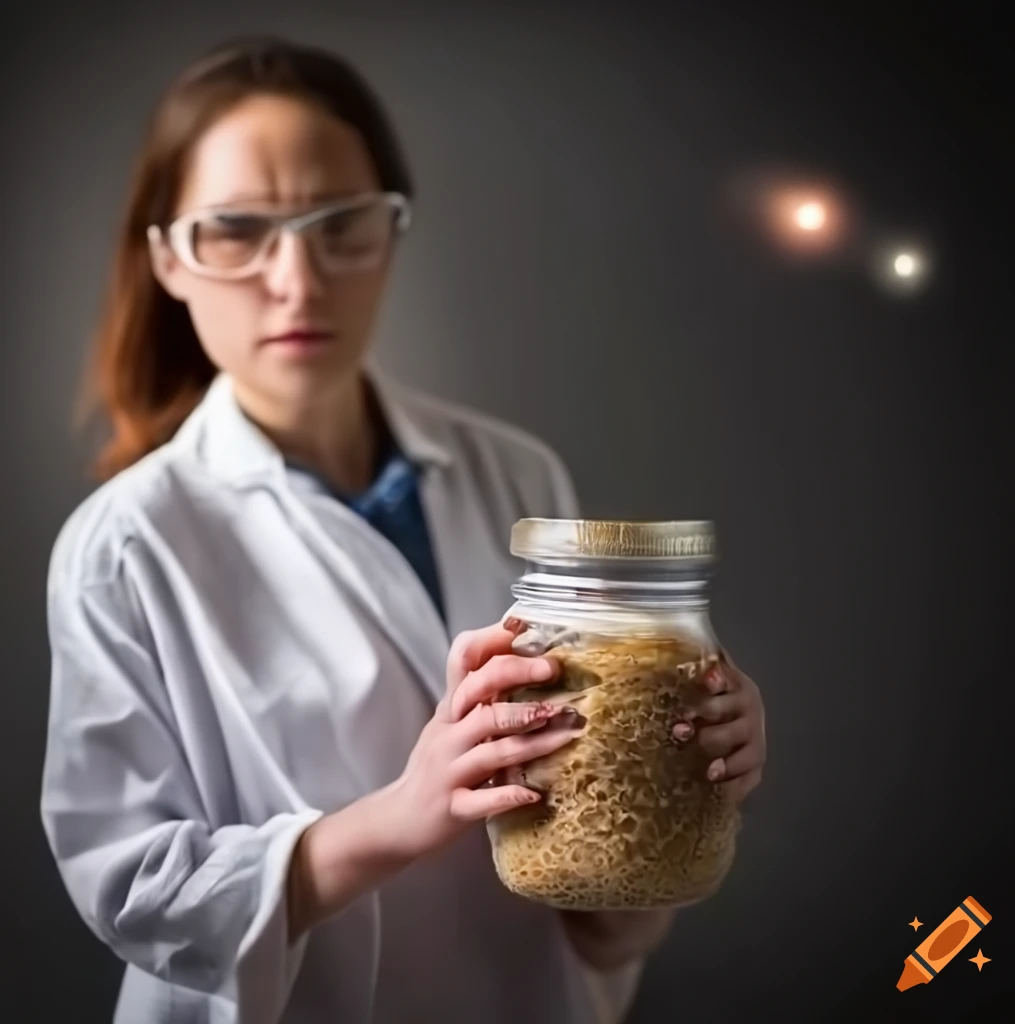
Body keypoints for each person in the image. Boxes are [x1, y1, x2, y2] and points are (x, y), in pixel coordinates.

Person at [40, 35, 766, 1024]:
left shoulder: (520, 478)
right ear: (170, 258)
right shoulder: (123, 544)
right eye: (238, 230)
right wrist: (404, 814)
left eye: (342, 225)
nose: (296, 280)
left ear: (392, 232)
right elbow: (134, 887)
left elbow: (597, 900)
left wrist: (684, 777)